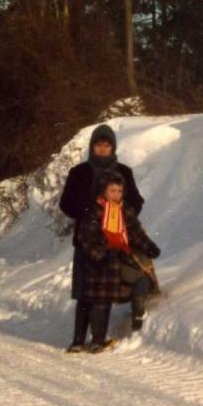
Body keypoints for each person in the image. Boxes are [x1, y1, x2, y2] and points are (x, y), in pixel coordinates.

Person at [58, 124, 144, 352]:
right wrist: (87, 214)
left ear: (113, 147)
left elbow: (136, 201)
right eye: (99, 144)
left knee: (103, 292)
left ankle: (98, 340)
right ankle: (77, 340)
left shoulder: (124, 172)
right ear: (92, 146)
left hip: (113, 242)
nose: (103, 148)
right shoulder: (79, 172)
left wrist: (122, 215)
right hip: (85, 240)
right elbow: (65, 203)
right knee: (83, 291)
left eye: (107, 145)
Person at [75, 169, 161, 352]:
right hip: (100, 264)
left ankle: (138, 314)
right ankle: (98, 340)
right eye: (112, 190)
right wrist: (100, 254)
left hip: (122, 259)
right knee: (100, 300)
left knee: (141, 278)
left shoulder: (125, 210)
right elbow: (86, 238)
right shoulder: (94, 211)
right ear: (103, 191)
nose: (116, 194)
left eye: (119, 191)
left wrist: (148, 246)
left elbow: (135, 233)